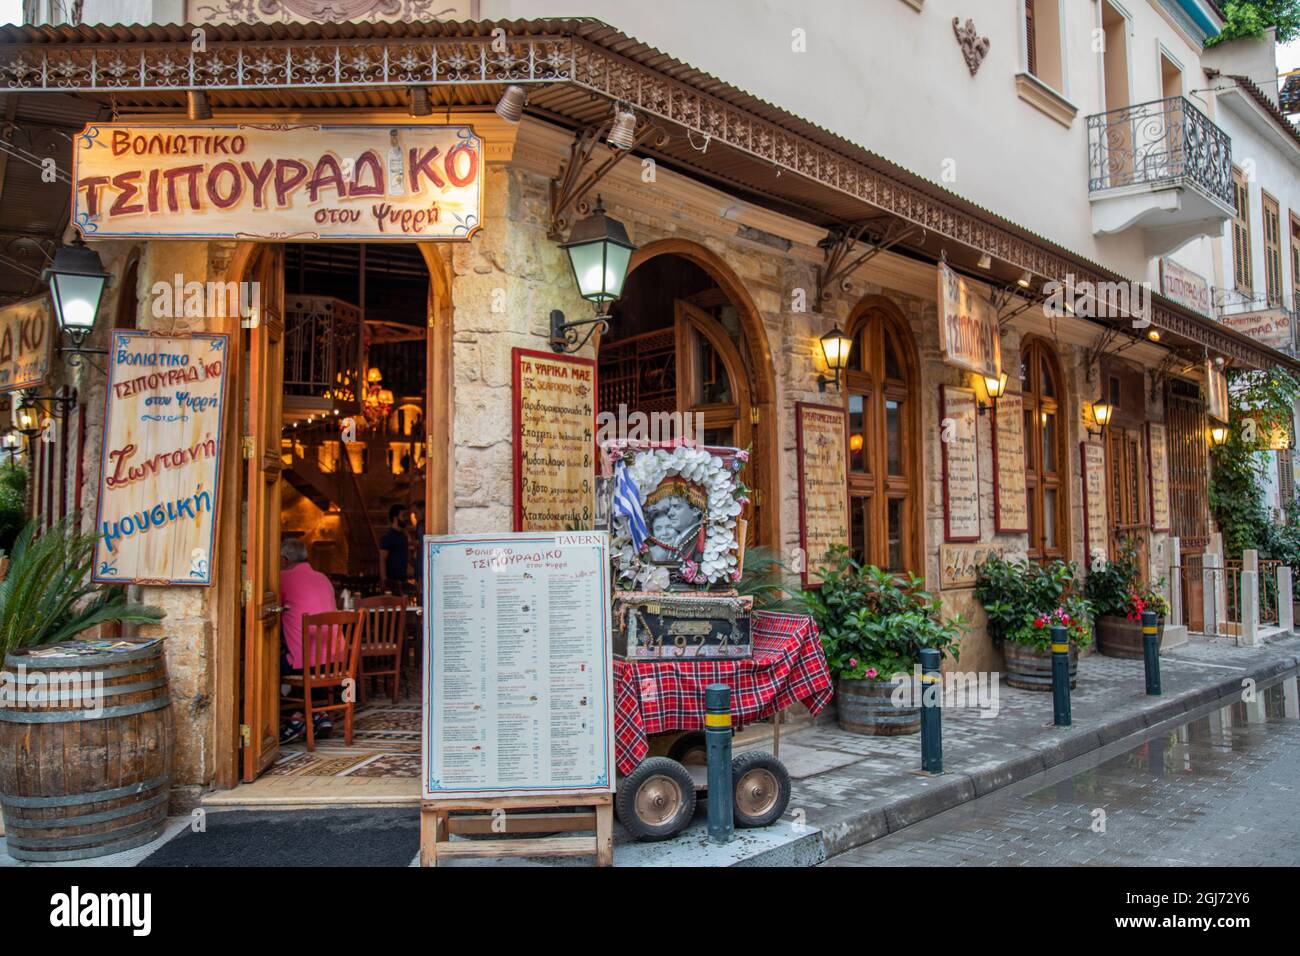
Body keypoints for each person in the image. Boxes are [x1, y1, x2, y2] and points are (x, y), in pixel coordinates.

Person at [279, 537, 338, 744]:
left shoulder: (283, 578)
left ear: (284, 560)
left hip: (304, 663)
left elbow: (268, 606)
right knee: (308, 660)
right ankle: (318, 714)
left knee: (264, 665)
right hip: (335, 662)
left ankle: (295, 718)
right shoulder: (323, 578)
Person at [379, 503, 410, 593]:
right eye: (403, 516)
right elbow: (382, 559)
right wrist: (384, 581)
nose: (406, 518)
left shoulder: (404, 536)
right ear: (395, 518)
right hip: (391, 581)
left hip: (403, 580)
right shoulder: (388, 537)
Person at [409, 500, 425, 588]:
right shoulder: (419, 525)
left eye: (416, 512)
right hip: (419, 565)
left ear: (423, 509)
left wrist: (408, 541)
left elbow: (422, 542)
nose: (415, 516)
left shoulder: (430, 523)